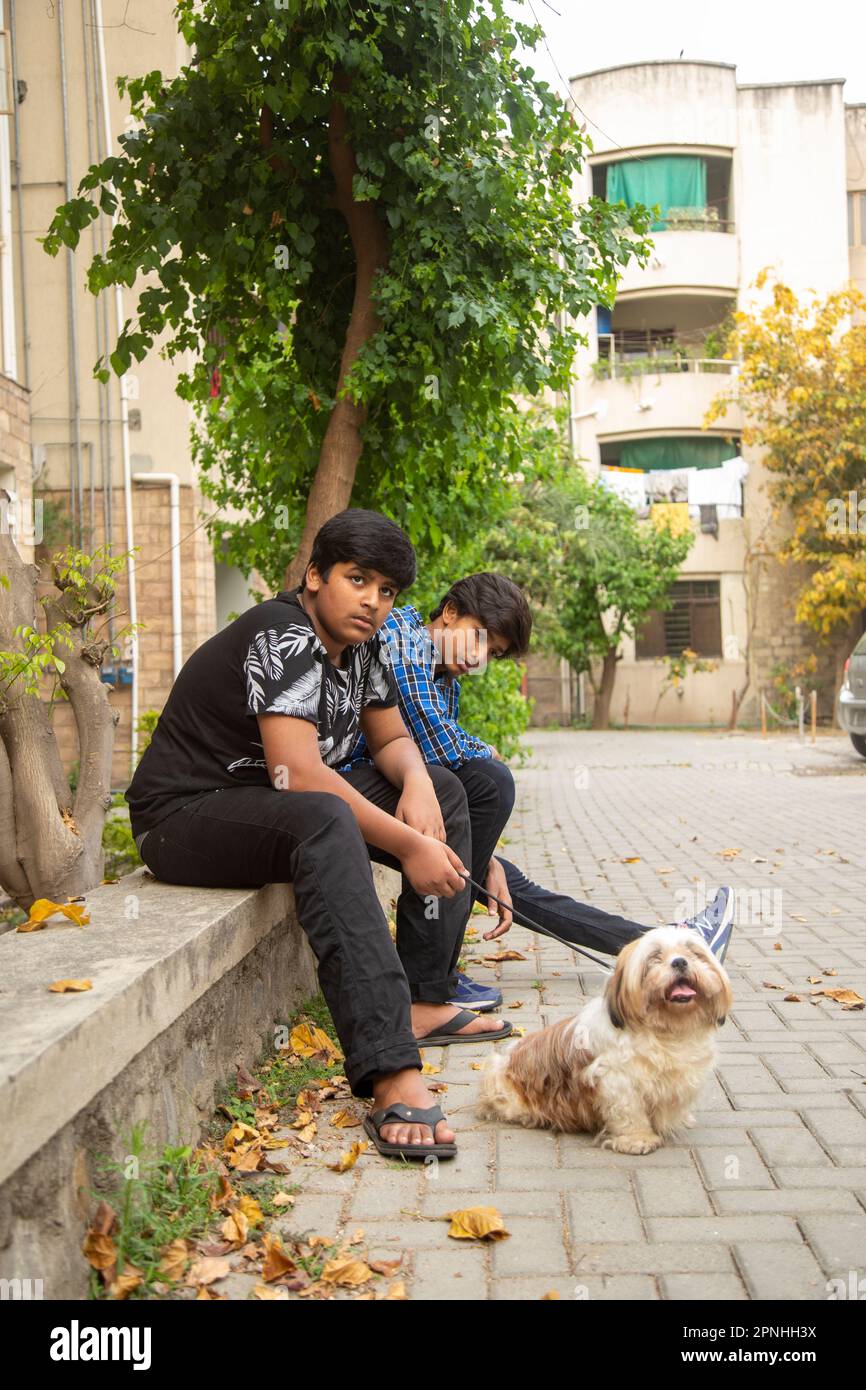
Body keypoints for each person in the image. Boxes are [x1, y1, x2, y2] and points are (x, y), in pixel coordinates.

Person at [125, 511, 513, 1163]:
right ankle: (391, 1067)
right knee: (327, 815)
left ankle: (423, 1000)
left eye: (387, 590)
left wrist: (418, 783)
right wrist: (413, 846)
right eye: (356, 579)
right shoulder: (284, 634)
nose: (372, 600)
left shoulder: (364, 646)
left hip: (271, 803)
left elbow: (389, 736)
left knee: (446, 787)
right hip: (186, 814)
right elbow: (299, 775)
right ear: (314, 576)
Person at [339, 572, 735, 968]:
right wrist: (487, 752)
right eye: (478, 637)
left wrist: (482, 854)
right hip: (343, 792)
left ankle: (666, 946)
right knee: (490, 782)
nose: (478, 658)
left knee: (502, 877)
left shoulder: (444, 677)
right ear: (450, 611)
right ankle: (427, 988)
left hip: (389, 797)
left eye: (492, 653)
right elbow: (440, 748)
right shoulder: (404, 640)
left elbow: (437, 758)